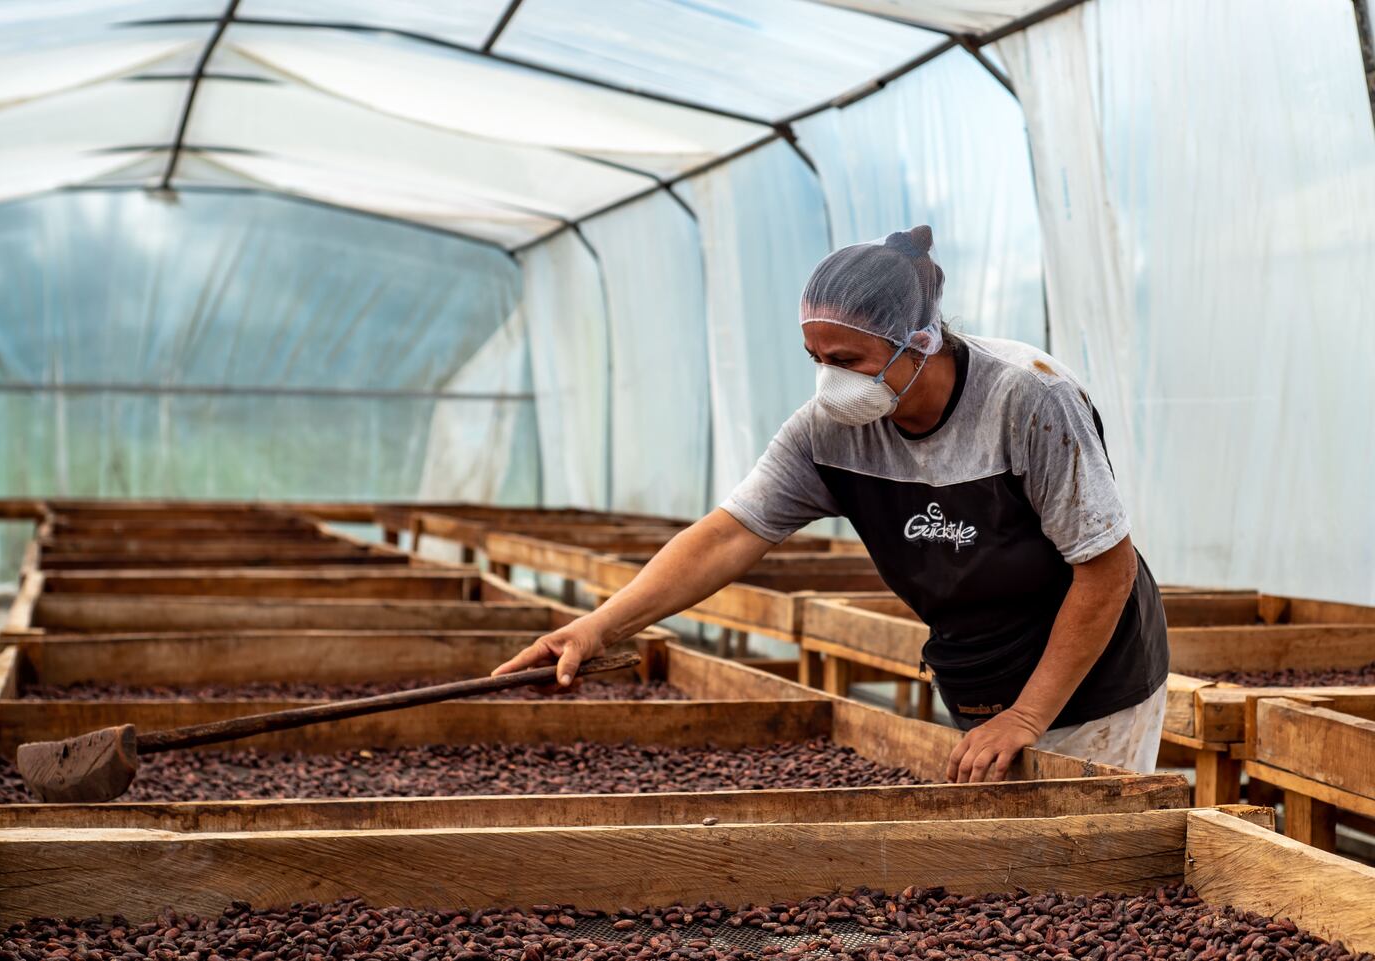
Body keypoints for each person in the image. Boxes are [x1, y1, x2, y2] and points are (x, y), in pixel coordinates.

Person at [495, 225, 1169, 782]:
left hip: (1093, 677)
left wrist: (1026, 715)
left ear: (920, 341)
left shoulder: (1028, 400)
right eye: (816, 357)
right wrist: (596, 628)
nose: (829, 379)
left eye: (848, 359)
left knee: (1082, 862)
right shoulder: (829, 430)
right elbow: (729, 534)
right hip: (975, 667)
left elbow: (1104, 569)